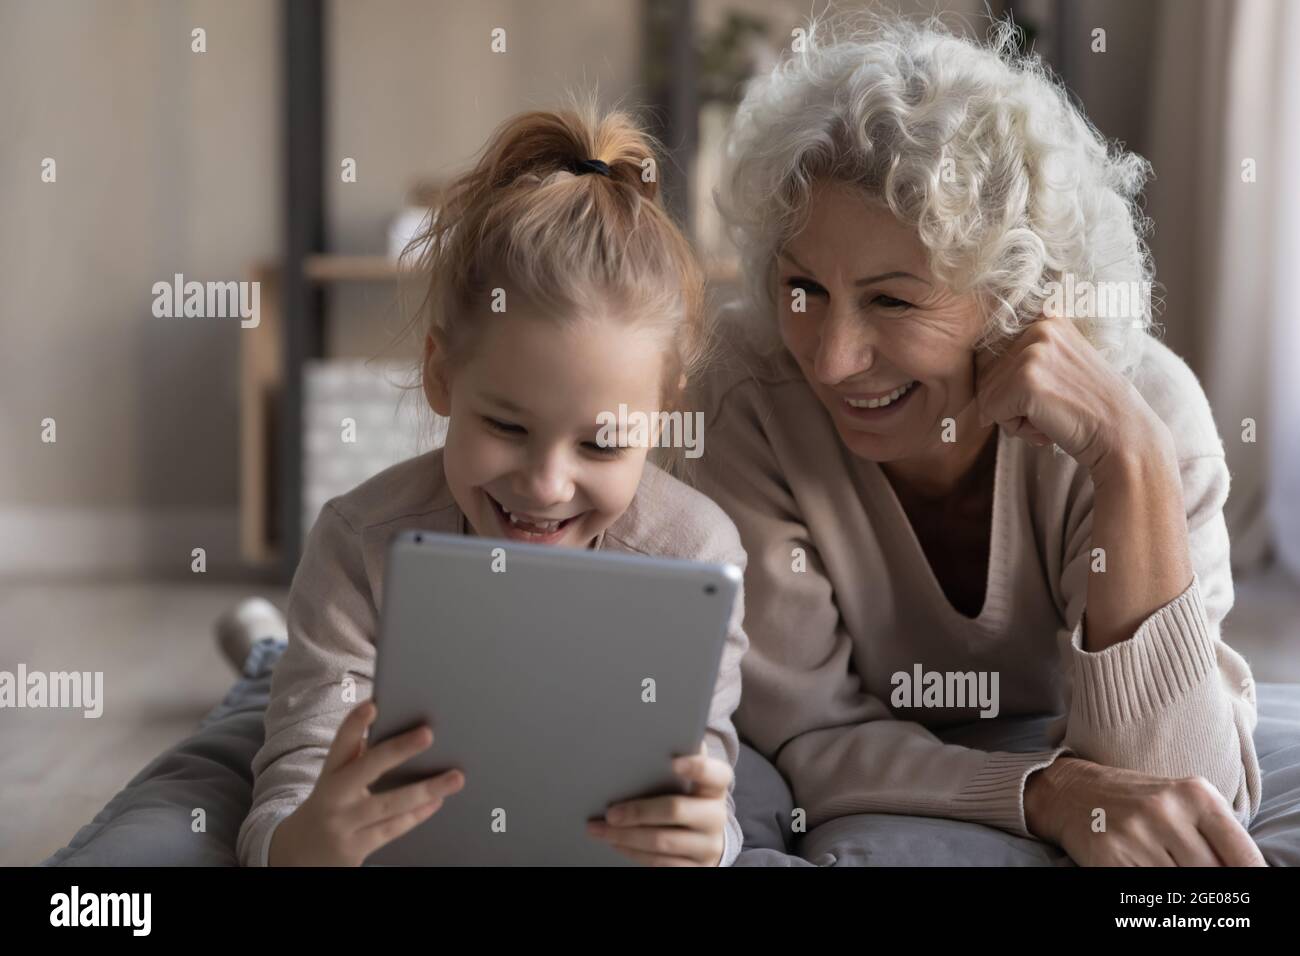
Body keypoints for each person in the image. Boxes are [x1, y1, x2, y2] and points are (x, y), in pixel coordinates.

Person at [691, 15, 1264, 866]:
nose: (834, 359)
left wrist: (1132, 465)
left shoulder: (1147, 414)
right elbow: (806, 732)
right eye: (804, 287)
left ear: (1013, 295)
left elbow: (1183, 799)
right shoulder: (748, 395)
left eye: (891, 300)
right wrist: (1048, 791)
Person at [235, 102, 749, 867]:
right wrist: (302, 845)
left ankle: (261, 645)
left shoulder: (697, 554)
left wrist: (712, 844)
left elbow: (709, 784)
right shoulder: (357, 543)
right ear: (441, 376)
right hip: (332, 645)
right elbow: (287, 798)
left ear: (663, 412)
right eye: (507, 428)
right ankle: (261, 649)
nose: (545, 484)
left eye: (601, 443)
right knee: (265, 689)